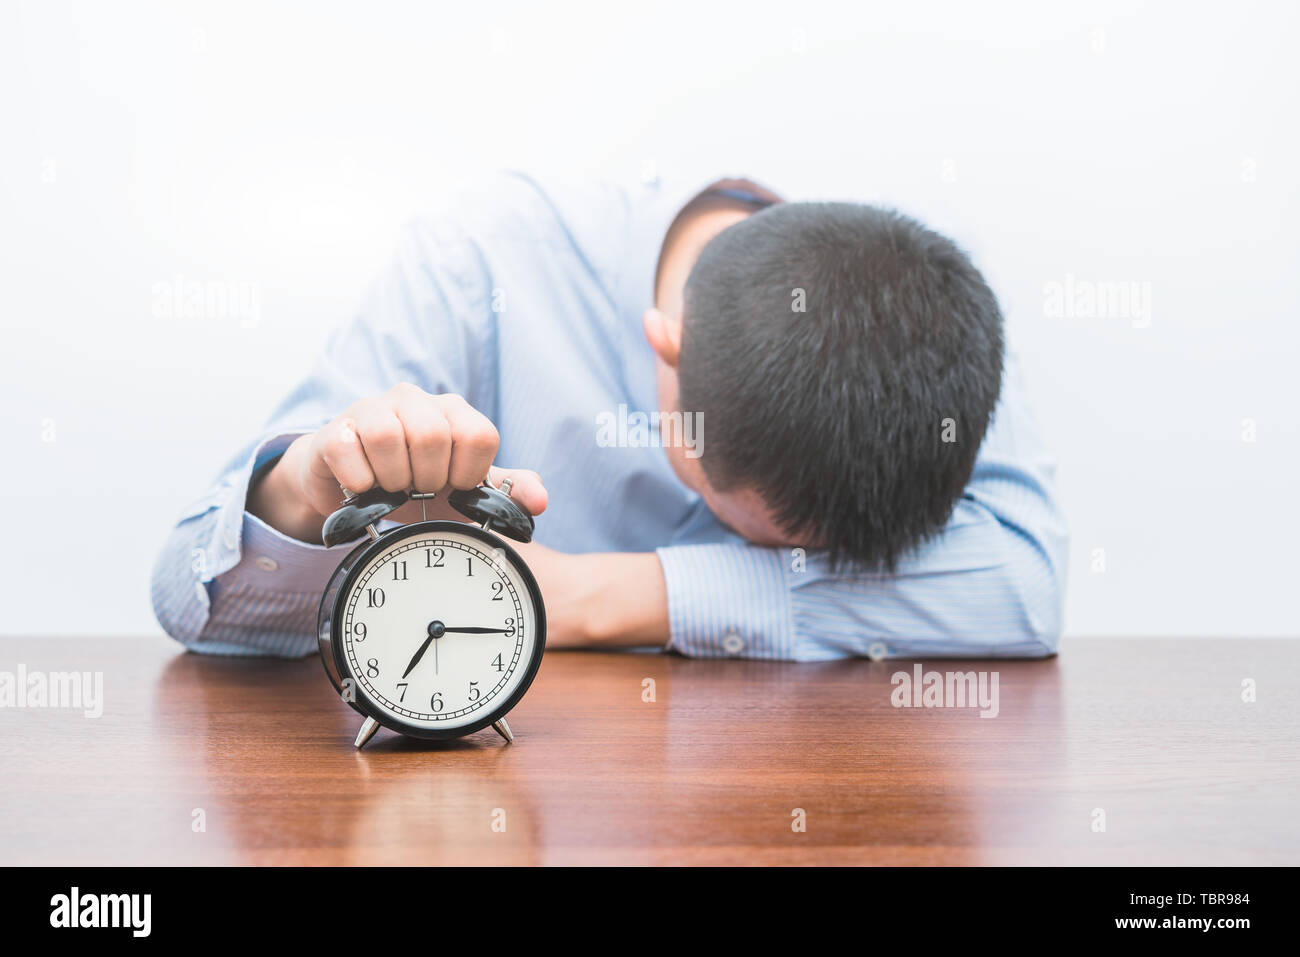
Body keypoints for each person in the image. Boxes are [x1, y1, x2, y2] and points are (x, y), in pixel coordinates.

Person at [151, 172, 1067, 661]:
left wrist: (601, 595)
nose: (780, 563)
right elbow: (198, 605)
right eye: (758, 532)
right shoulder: (477, 266)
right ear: (662, 349)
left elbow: (1023, 585)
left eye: (820, 557)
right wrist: (305, 497)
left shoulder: (927, 308)